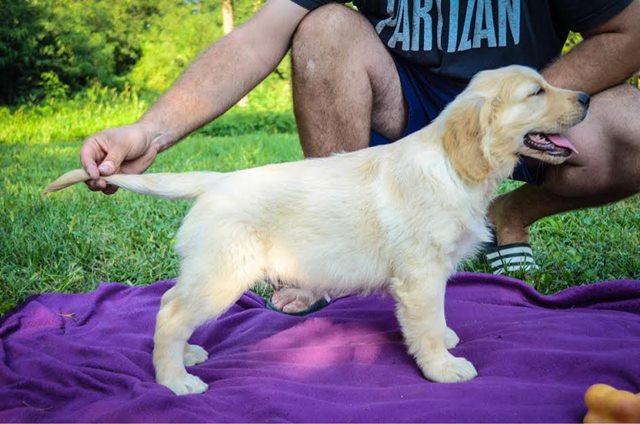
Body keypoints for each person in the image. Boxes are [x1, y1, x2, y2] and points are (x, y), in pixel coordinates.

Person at [79, 0, 640, 314]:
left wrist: (511, 110)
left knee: (634, 126)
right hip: (406, 121)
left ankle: (507, 218)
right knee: (324, 30)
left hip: (516, 112)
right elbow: (259, 36)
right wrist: (149, 132)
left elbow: (629, 27)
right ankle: (326, 249)